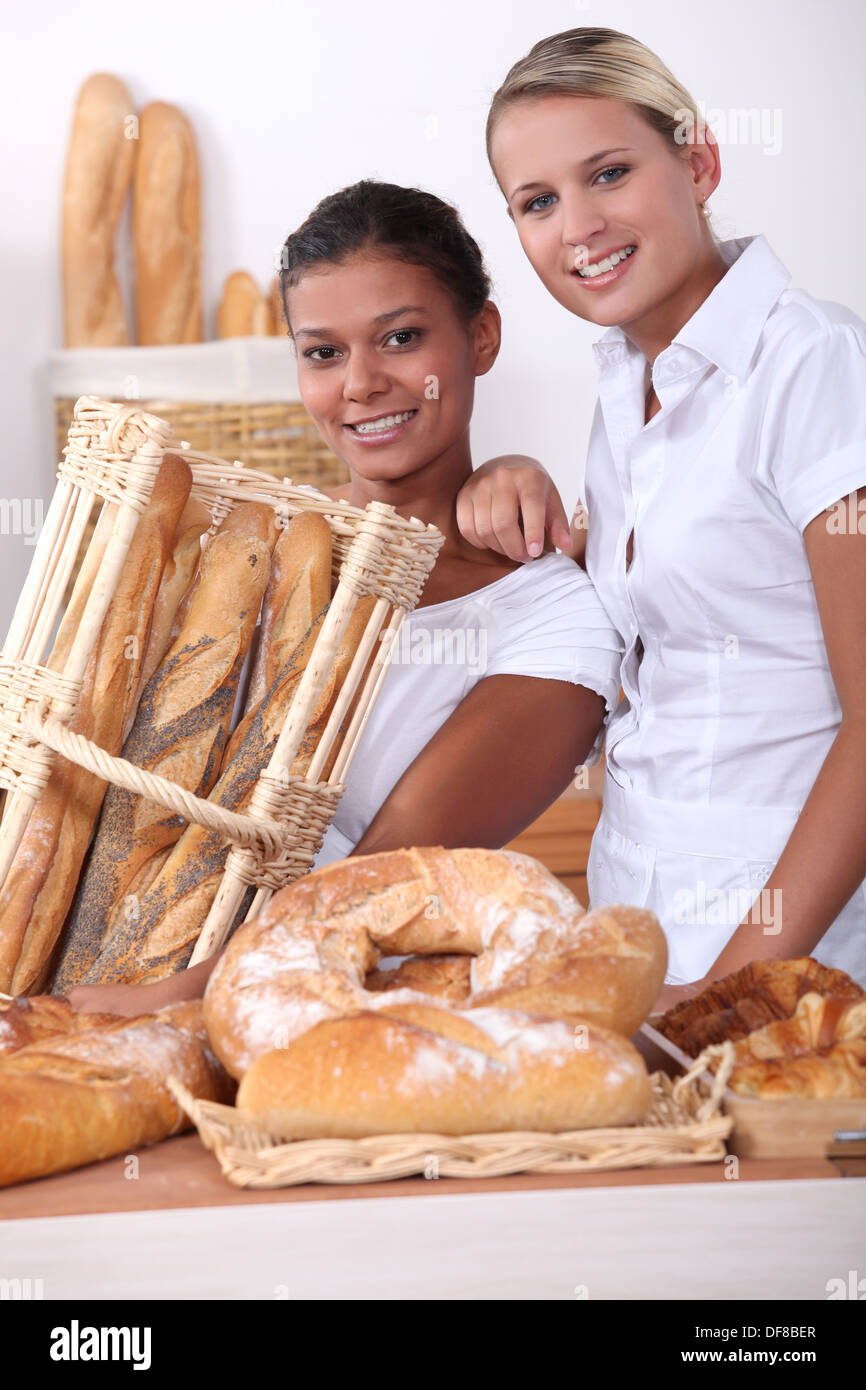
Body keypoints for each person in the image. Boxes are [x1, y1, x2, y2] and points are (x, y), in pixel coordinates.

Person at [65, 180, 622, 1017]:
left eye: (400, 338)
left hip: (338, 1022)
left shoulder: (552, 618)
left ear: (481, 336)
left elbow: (372, 889)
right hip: (106, 984)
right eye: (323, 352)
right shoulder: (236, 569)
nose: (360, 383)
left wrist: (153, 1006)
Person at [454, 26, 866, 1006]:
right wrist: (517, 481)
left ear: (699, 161)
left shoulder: (813, 367)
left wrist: (728, 994)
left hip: (797, 984)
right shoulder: (627, 383)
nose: (578, 225)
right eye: (537, 202)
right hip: (642, 946)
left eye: (608, 173)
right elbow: (695, 598)